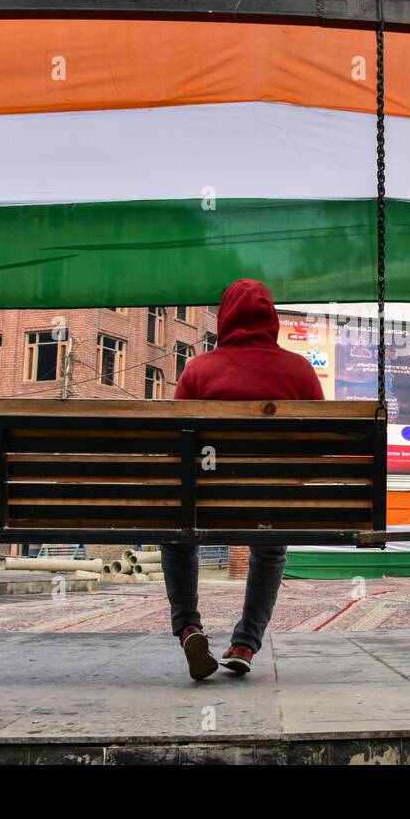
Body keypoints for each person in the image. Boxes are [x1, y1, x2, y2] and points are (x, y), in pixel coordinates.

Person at [163, 279, 324, 680]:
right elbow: (321, 447)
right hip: (271, 500)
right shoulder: (300, 370)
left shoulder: (199, 370)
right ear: (272, 318)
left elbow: (173, 447)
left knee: (178, 536)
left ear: (225, 318)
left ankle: (188, 627)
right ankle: (245, 644)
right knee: (269, 549)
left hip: (206, 496)